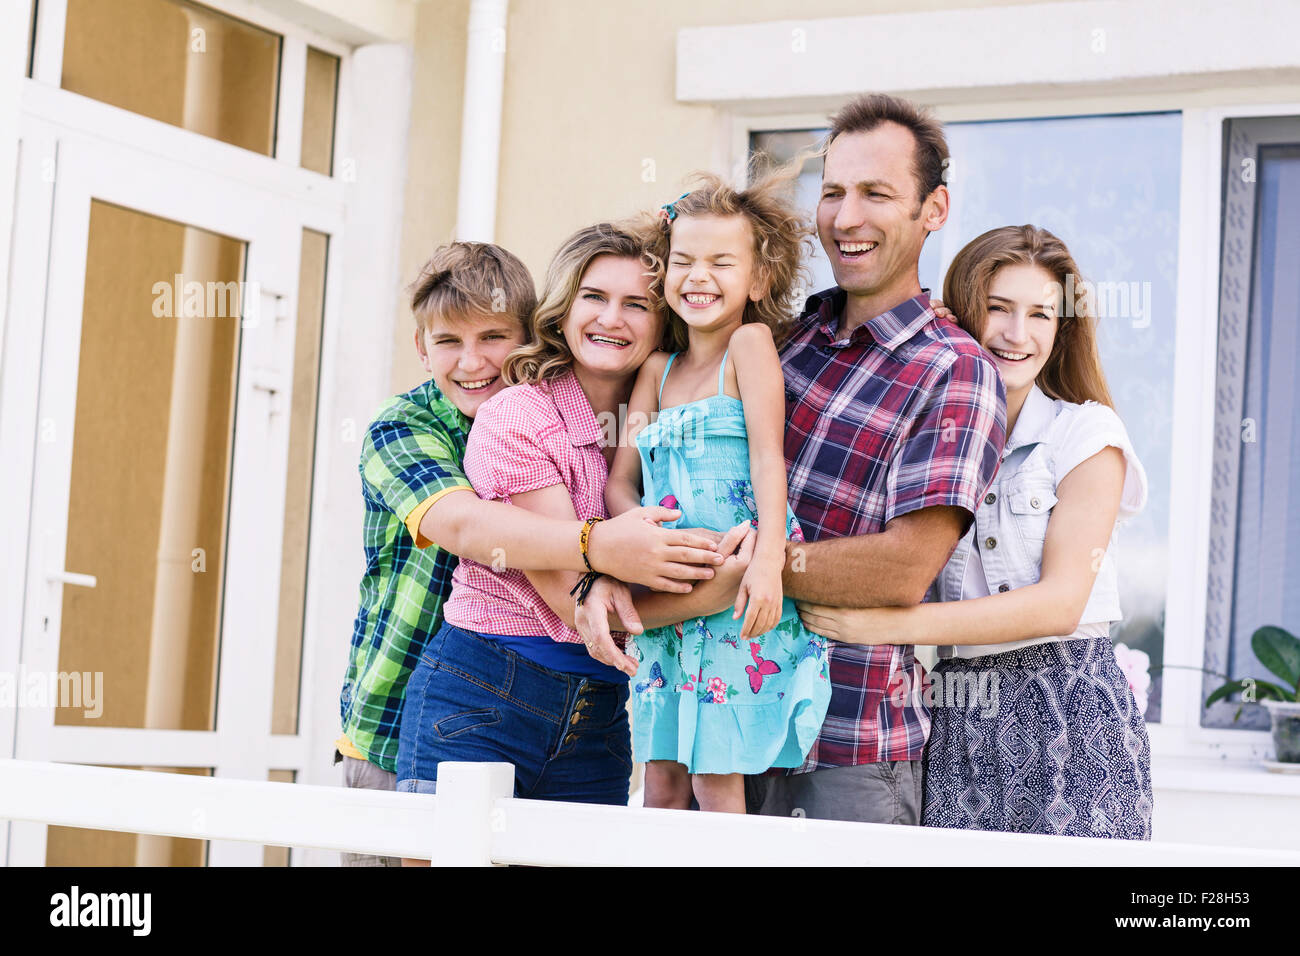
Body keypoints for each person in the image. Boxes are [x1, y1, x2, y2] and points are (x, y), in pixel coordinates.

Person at [577, 91, 1006, 827]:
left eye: (877, 193)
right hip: (709, 693)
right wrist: (608, 565)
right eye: (833, 192)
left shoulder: (954, 370)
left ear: (933, 209)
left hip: (846, 747)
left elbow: (904, 569)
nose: (846, 216)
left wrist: (743, 566)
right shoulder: (781, 341)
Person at [338, 241, 726, 865]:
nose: (473, 362)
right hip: (405, 717)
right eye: (448, 342)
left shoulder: (639, 425)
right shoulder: (410, 427)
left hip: (589, 705)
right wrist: (604, 554)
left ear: (524, 336)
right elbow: (468, 527)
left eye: (493, 337)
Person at [799, 224, 1153, 839]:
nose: (1018, 335)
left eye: (1041, 314)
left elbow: (1060, 603)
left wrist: (888, 626)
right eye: (997, 309)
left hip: (1067, 708)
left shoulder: (1087, 436)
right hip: (957, 710)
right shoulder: (933, 433)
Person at [604, 170, 831, 814]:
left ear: (757, 279)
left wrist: (767, 563)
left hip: (735, 588)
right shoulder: (657, 370)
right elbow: (623, 482)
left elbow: (768, 456)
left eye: (721, 263)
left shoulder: (748, 346)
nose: (698, 276)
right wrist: (643, 537)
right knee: (660, 783)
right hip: (670, 586)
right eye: (683, 262)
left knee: (716, 776)